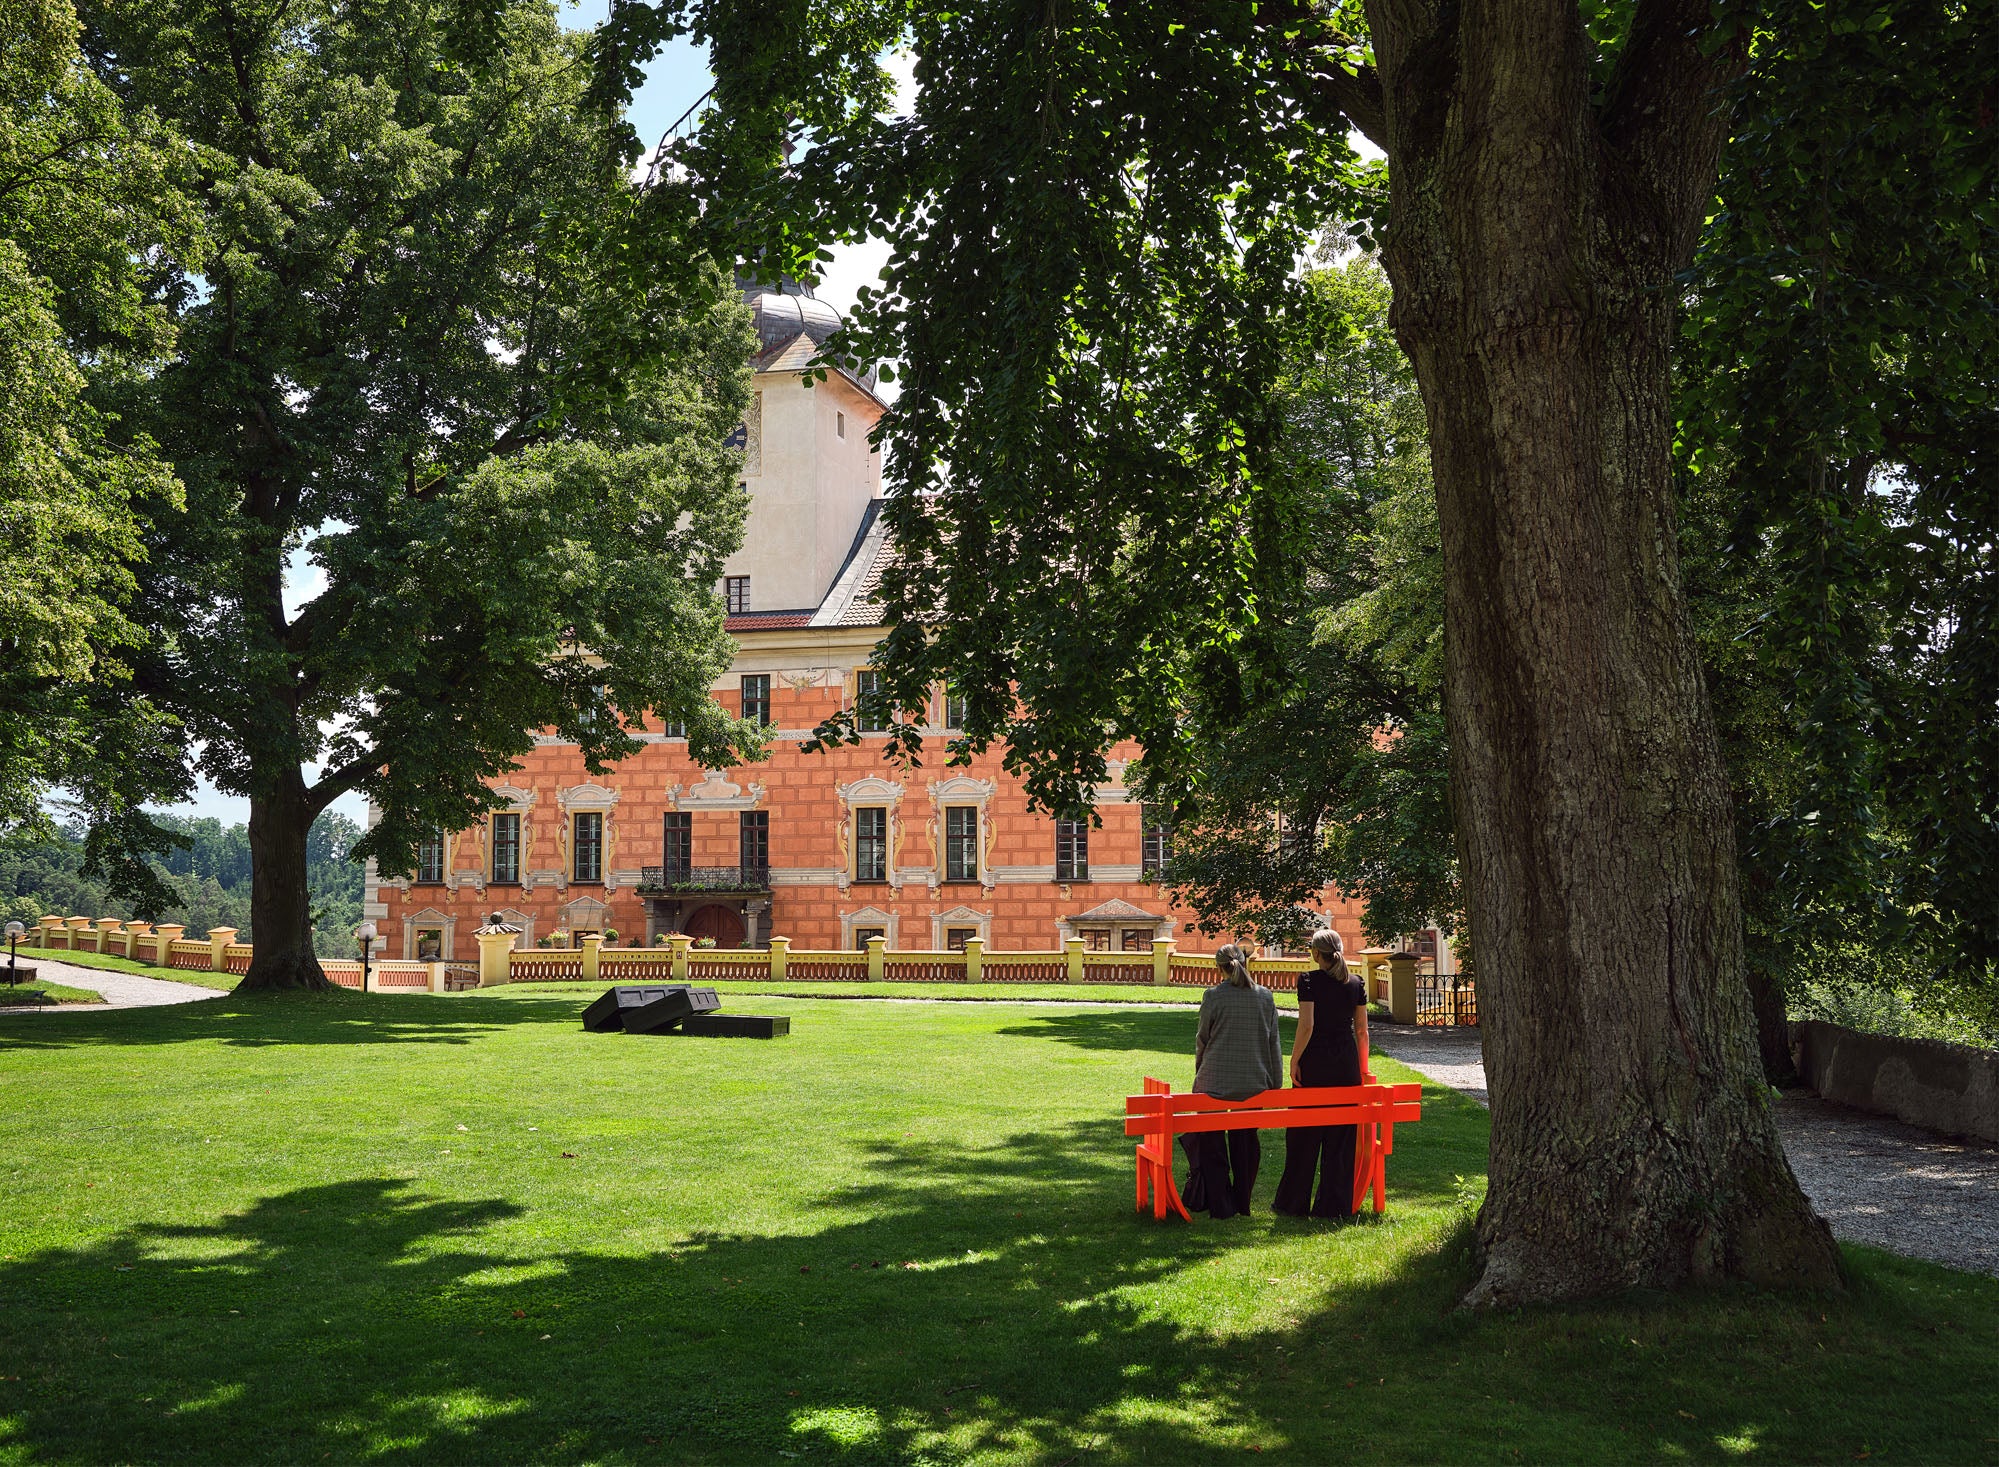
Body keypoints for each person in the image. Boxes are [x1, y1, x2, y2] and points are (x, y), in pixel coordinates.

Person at [1272, 928, 1370, 1219]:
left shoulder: (1309, 981)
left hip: (1315, 1063)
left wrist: (1294, 1060)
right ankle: (1333, 1205)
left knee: (1303, 1134)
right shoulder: (1356, 983)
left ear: (1315, 953)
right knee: (1340, 1139)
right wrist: (1362, 1068)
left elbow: (1307, 1026)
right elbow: (1362, 1031)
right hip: (1345, 1065)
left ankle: (1292, 1203)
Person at [1181, 943, 1283, 1219]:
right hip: (1253, 1081)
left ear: (1219, 968)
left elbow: (1203, 1039)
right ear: (1245, 962)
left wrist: (1199, 1070)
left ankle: (1221, 1204)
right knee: (1246, 1141)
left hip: (1214, 1081)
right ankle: (1243, 1202)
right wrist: (1275, 1083)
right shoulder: (1265, 997)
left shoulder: (1213, 996)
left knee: (1212, 1140)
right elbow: (1273, 1042)